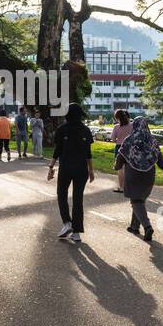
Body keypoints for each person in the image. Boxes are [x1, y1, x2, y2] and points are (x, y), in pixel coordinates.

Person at [115, 117, 163, 242]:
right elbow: (160, 159)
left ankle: (147, 226)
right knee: (139, 199)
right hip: (148, 175)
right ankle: (134, 227)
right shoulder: (152, 141)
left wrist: (117, 166)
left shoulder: (130, 139)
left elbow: (121, 155)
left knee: (136, 201)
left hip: (133, 174)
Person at [47, 102, 94, 243]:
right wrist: (91, 170)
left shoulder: (62, 129)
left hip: (66, 169)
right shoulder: (86, 130)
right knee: (78, 199)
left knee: (62, 195)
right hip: (81, 170)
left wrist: (51, 167)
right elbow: (88, 153)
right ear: (80, 115)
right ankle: (77, 232)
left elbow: (57, 150)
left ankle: (67, 223)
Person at [110, 108, 131, 193]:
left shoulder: (116, 127)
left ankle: (121, 187)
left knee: (120, 168)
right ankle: (128, 187)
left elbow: (113, 139)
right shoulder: (132, 125)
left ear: (117, 117)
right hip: (130, 147)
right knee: (128, 168)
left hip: (119, 147)